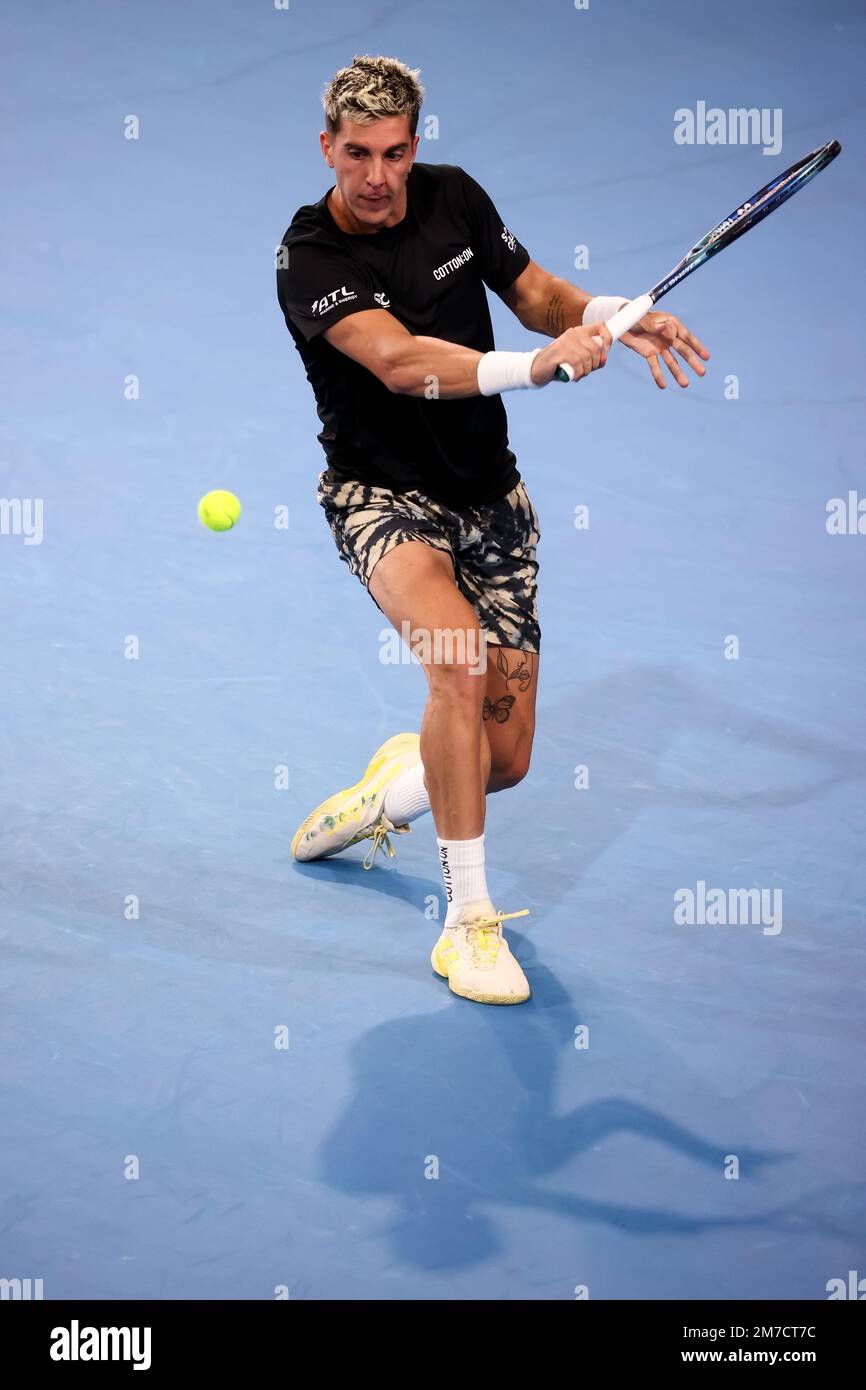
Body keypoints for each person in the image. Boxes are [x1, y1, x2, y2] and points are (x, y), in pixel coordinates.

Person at [276, 54, 709, 1006]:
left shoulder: (456, 199)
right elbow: (397, 363)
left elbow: (537, 294)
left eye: (395, 153)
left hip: (491, 499)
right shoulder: (309, 258)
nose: (378, 176)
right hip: (383, 502)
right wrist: (538, 369)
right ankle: (466, 926)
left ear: (416, 145)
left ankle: (395, 788)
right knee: (457, 664)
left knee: (503, 759)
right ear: (327, 148)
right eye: (357, 154)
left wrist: (606, 316)